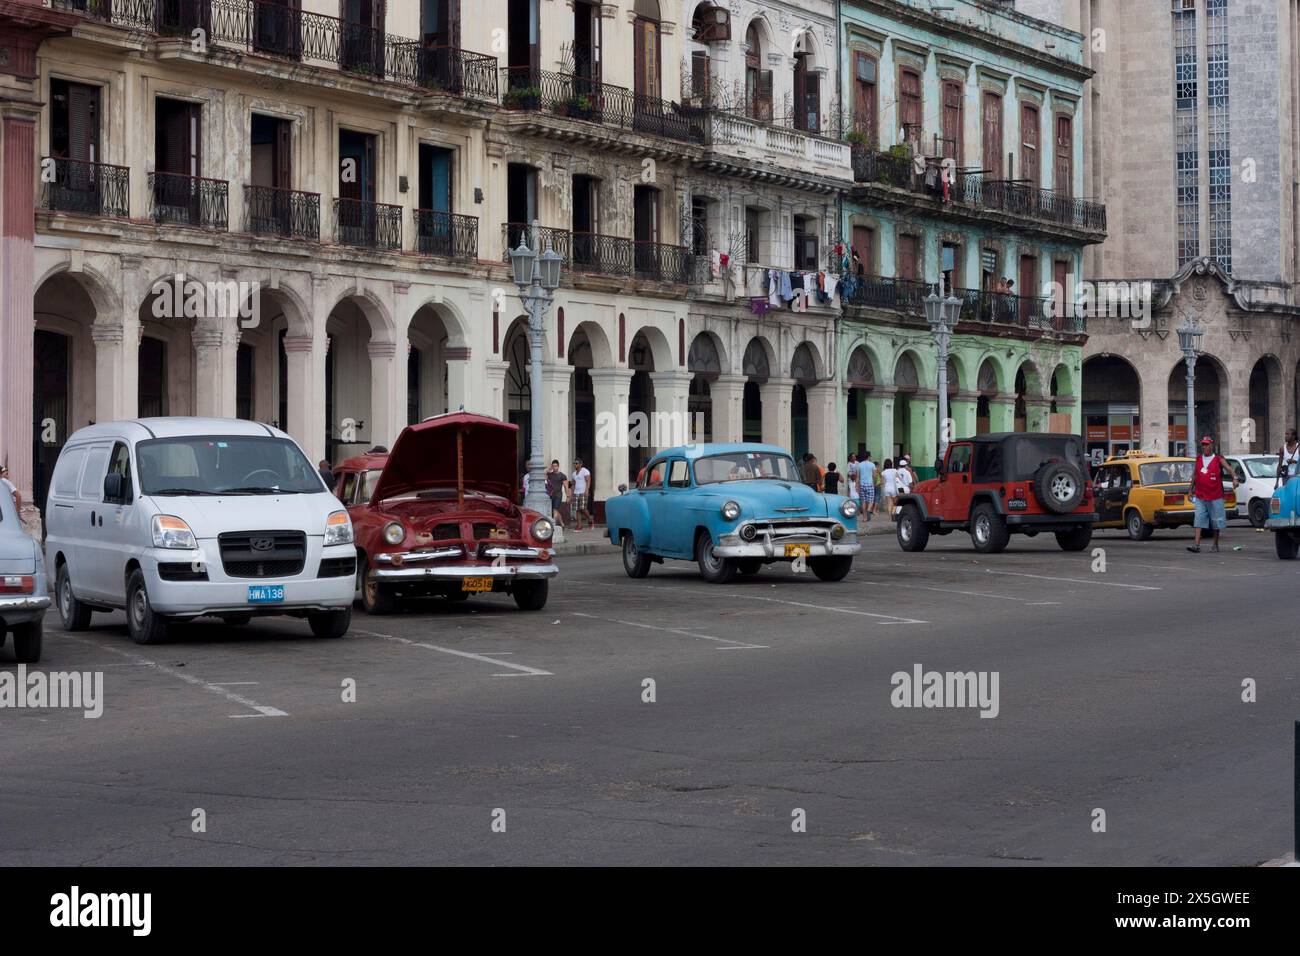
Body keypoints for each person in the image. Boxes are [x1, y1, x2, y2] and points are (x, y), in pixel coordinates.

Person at [1186, 435, 1235, 553]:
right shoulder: (1198, 459)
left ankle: (1215, 544)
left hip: (1215, 496)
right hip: (1200, 496)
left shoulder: (1218, 459)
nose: (1205, 447)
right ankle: (1196, 545)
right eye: (1203, 445)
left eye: (1207, 444)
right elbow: (1195, 475)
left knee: (1216, 521)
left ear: (1212, 445)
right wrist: (1190, 490)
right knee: (1198, 519)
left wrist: (1235, 478)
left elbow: (1230, 469)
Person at [545, 459, 568, 529]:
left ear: (558, 466)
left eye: (556, 466)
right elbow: (544, 477)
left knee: (555, 509)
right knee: (555, 510)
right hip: (550, 495)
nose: (554, 467)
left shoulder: (562, 475)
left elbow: (566, 486)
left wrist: (568, 496)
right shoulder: (549, 475)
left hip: (558, 495)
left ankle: (553, 525)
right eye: (553, 466)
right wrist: (548, 470)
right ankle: (562, 524)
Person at [571, 458, 592, 531]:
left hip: (583, 492)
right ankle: (579, 525)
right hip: (576, 492)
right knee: (577, 509)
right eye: (574, 463)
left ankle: (590, 519)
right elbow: (573, 484)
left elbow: (588, 481)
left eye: (576, 463)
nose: (575, 465)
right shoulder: (573, 474)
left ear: (580, 464)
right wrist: (571, 494)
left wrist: (587, 490)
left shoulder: (585, 471)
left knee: (583, 508)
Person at [858, 452, 877, 520]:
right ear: (868, 457)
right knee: (871, 500)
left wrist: (857, 486)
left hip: (862, 484)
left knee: (863, 501)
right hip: (870, 484)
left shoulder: (859, 465)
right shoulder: (872, 464)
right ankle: (869, 510)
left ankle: (864, 518)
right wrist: (874, 483)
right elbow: (874, 475)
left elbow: (858, 477)